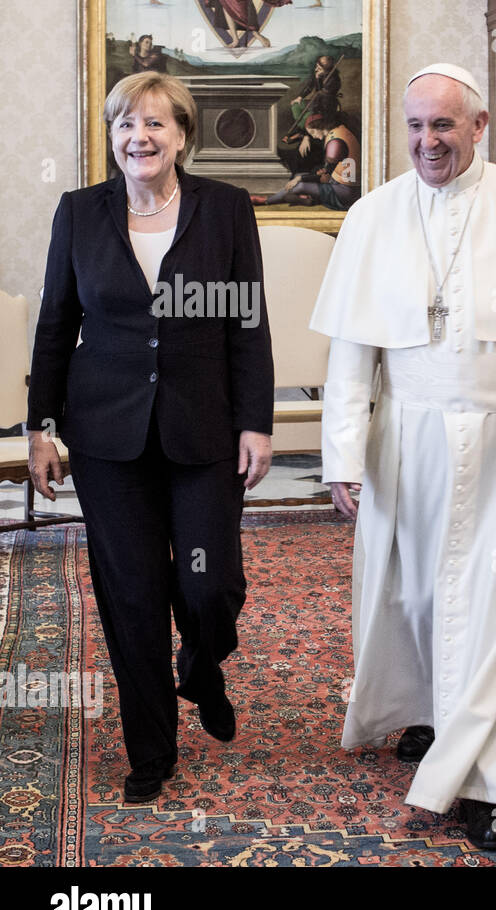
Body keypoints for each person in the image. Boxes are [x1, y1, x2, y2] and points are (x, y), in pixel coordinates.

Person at [310, 63, 496, 851]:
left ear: (479, 127)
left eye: (443, 125)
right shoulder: (372, 217)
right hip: (408, 441)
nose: (427, 141)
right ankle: (434, 714)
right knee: (413, 597)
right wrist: (343, 454)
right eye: (414, 126)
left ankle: (492, 781)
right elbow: (352, 355)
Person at [26, 71, 275, 804]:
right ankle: (150, 750)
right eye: (127, 124)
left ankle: (201, 668)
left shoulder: (225, 210)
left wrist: (256, 420)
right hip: (107, 435)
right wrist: (42, 427)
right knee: (130, 592)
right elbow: (54, 326)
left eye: (157, 124)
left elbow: (247, 324)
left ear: (183, 136)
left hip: (204, 429)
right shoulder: (79, 213)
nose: (141, 137)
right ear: (112, 137)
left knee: (208, 582)